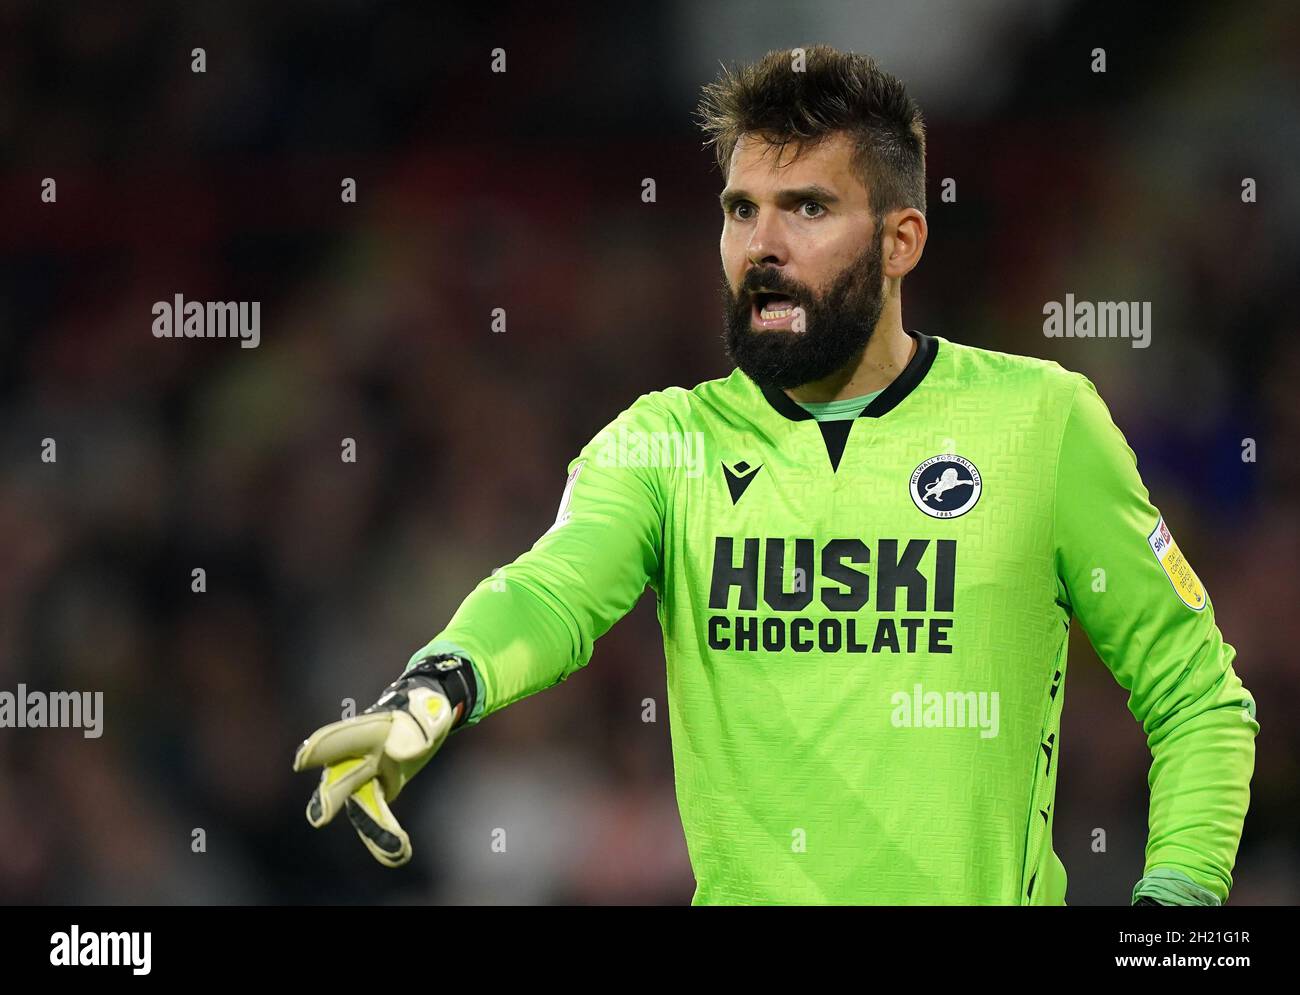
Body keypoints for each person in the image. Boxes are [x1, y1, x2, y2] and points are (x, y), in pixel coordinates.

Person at [294, 45, 1257, 906]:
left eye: (807, 208)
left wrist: (1176, 908)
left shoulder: (1040, 422)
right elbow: (552, 589)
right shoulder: (667, 441)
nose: (762, 245)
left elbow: (1197, 696)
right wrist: (433, 689)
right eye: (741, 210)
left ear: (900, 241)